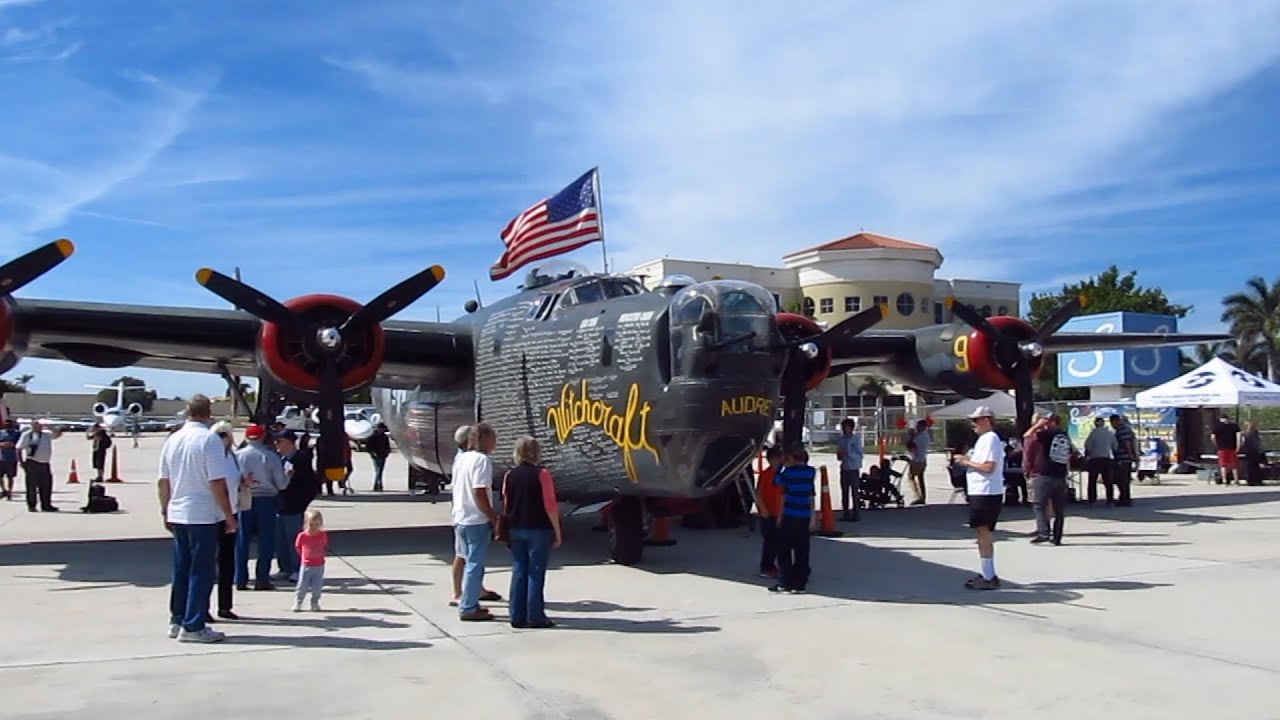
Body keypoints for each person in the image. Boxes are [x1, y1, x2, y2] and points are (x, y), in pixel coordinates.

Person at [158, 395, 234, 643]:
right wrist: (228, 515)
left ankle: (177, 618)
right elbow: (216, 482)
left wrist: (165, 510)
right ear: (208, 412)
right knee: (202, 570)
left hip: (178, 511)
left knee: (181, 568)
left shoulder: (173, 439)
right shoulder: (209, 440)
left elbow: (163, 481)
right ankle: (194, 625)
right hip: (201, 513)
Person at [500, 436, 562, 629]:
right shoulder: (542, 474)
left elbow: (506, 503)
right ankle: (535, 615)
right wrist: (557, 530)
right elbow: (550, 505)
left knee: (519, 570)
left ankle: (516, 615)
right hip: (539, 528)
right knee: (536, 572)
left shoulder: (509, 475)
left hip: (516, 527)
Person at [951, 406, 1004, 590]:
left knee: (983, 533)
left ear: (987, 420)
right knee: (981, 533)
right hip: (979, 491)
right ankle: (986, 571)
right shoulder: (983, 440)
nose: (973, 424)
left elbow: (989, 467)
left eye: (977, 420)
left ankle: (989, 576)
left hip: (986, 492)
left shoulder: (991, 439)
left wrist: (966, 462)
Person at [452, 422, 500, 621]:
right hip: (475, 518)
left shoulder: (461, 459)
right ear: (485, 439)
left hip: (460, 516)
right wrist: (492, 515)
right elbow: (479, 490)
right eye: (493, 439)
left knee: (465, 558)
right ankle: (469, 606)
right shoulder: (481, 460)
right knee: (475, 564)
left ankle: (468, 598)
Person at [234, 424, 289, 591]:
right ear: (263, 437)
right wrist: (288, 476)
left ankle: (241, 578)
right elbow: (281, 485)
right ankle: (262, 578)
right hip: (266, 498)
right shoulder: (271, 456)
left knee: (242, 540)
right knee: (266, 540)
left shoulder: (237, 456)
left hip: (244, 498)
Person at [208, 421, 248, 621]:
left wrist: (244, 482)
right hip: (212, 515)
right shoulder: (211, 457)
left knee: (227, 562)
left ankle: (225, 606)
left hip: (231, 512)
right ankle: (202, 607)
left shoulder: (232, 457)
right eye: (219, 434)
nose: (223, 438)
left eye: (226, 434)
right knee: (207, 564)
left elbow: (235, 480)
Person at [770, 444, 816, 594]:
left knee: (783, 549)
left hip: (790, 514)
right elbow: (810, 494)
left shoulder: (788, 473)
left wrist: (780, 466)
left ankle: (786, 581)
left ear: (791, 459)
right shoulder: (810, 472)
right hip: (804, 515)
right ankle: (800, 583)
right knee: (802, 550)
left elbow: (776, 482)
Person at [275, 429, 319, 582]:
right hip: (280, 506)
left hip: (293, 507)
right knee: (280, 541)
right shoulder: (280, 459)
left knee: (294, 540)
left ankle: (296, 568)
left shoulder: (301, 459)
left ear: (289, 443)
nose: (277, 445)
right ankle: (284, 568)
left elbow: (312, 486)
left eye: (280, 442)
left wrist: (301, 504)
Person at [1025, 412, 1073, 546]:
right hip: (1060, 475)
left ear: (1050, 422)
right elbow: (1069, 454)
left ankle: (1043, 532)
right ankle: (1057, 537)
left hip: (1045, 474)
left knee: (1039, 505)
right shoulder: (1065, 435)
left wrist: (1037, 425)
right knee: (1059, 509)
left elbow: (1027, 436)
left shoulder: (1047, 434)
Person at [18, 419, 60, 512]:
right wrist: (21, 462)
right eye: (36, 424)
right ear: (32, 425)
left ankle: (46, 505)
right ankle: (32, 505)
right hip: (32, 462)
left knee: (46, 485)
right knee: (31, 486)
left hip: (45, 463)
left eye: (40, 424)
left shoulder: (46, 434)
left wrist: (50, 427)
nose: (39, 426)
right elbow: (19, 449)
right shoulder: (27, 435)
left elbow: (58, 434)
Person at [754, 445, 784, 578]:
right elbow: (758, 493)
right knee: (770, 542)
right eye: (774, 459)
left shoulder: (783, 474)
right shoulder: (766, 474)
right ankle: (766, 567)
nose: (776, 461)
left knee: (779, 542)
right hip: (768, 513)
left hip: (779, 512)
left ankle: (776, 565)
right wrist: (763, 509)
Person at [293, 508, 328, 612]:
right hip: (306, 565)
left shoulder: (322, 535)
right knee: (302, 586)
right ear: (306, 524)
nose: (314, 528)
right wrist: (304, 556)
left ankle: (315, 602)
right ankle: (298, 602)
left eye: (317, 525)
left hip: (319, 565)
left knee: (317, 586)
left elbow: (324, 545)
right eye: (311, 525)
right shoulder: (302, 536)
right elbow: (297, 547)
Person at [1084, 417, 1117, 505]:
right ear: (1103, 423)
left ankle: (1092, 499)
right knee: (1108, 481)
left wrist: (1087, 455)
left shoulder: (1093, 433)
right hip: (1106, 458)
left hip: (1094, 459)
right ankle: (1110, 499)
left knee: (1092, 481)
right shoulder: (1109, 433)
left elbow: (1088, 445)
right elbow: (1115, 446)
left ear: (1095, 424)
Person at [835, 418, 863, 522]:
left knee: (855, 492)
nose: (844, 429)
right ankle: (846, 513)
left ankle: (856, 514)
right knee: (844, 492)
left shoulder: (856, 439)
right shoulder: (841, 439)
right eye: (843, 427)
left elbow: (859, 453)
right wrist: (839, 454)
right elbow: (838, 452)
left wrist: (849, 453)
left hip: (853, 468)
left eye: (845, 427)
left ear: (851, 428)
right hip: (844, 467)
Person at [1109, 414, 1137, 505]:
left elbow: (1127, 443)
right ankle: (1124, 497)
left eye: (1112, 423)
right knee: (1123, 479)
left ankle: (1125, 499)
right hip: (1125, 458)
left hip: (1123, 458)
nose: (1112, 426)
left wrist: (1131, 455)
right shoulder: (1126, 429)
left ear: (1115, 421)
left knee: (1122, 479)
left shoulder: (1122, 431)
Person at [905, 419, 930, 505]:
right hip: (923, 459)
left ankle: (918, 496)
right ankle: (923, 496)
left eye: (918, 426)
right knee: (920, 478)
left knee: (911, 477)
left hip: (917, 460)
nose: (917, 428)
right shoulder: (926, 436)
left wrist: (911, 436)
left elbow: (911, 446)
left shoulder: (919, 437)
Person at [1212, 414, 1242, 484]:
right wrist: (1238, 446)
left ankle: (1224, 480)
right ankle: (1236, 480)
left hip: (1221, 448)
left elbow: (1213, 437)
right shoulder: (1234, 426)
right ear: (1228, 418)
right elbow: (1239, 436)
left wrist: (1217, 445)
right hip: (1232, 448)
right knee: (1234, 465)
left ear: (1220, 419)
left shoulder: (1217, 427)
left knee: (1223, 465)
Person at [366, 422, 392, 492]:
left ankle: (376, 485)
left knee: (379, 470)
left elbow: (387, 446)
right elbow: (368, 447)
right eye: (381, 429)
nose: (382, 430)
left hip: (383, 455)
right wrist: (372, 453)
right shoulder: (372, 437)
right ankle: (379, 485)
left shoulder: (384, 437)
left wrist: (387, 452)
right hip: (376, 456)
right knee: (379, 470)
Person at [1239, 421, 1265, 486]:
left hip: (1249, 451)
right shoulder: (1255, 433)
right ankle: (1258, 480)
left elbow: (1242, 442)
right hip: (1256, 451)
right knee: (1256, 466)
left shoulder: (1245, 434)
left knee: (1249, 466)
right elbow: (1258, 443)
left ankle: (1251, 480)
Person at [0, 418, 20, 500]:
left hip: (12, 458)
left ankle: (10, 492)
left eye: (9, 425)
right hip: (1, 458)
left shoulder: (17, 433)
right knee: (0, 476)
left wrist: (12, 444)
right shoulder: (1, 433)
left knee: (10, 477)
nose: (7, 427)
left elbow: (19, 443)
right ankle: (3, 490)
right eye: (6, 425)